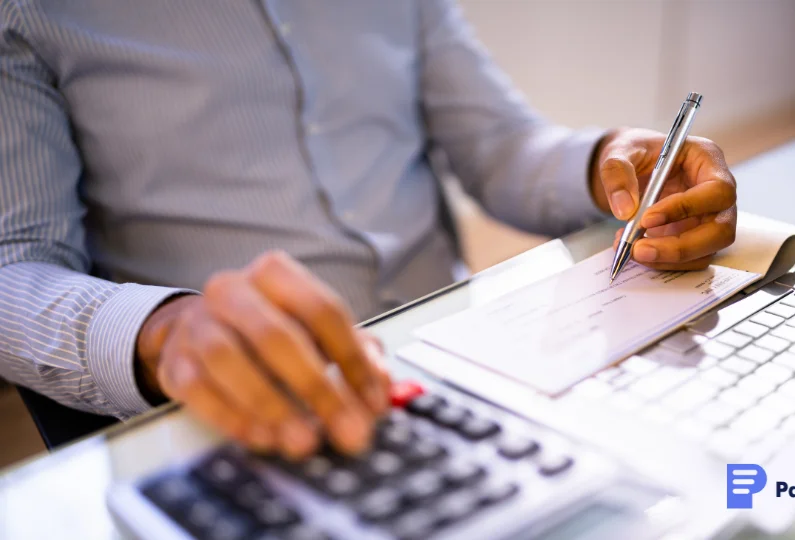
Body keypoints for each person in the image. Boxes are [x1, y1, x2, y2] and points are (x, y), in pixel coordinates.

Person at [0, 1, 736, 460]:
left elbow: (497, 145)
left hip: (467, 371)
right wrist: (165, 329)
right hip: (252, 415)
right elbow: (14, 265)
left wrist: (611, 165)